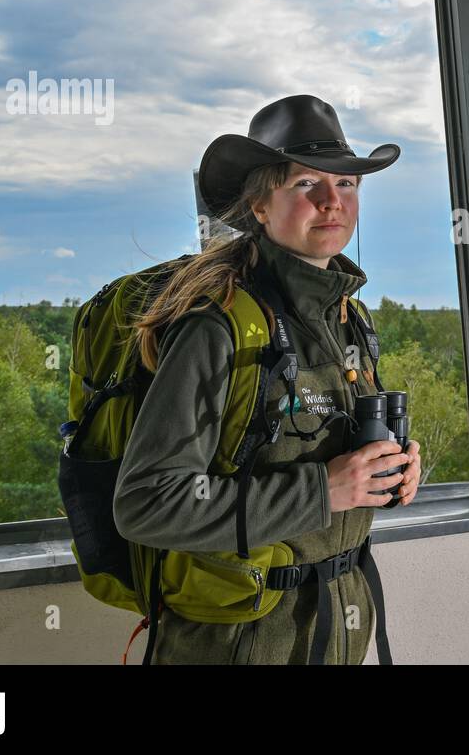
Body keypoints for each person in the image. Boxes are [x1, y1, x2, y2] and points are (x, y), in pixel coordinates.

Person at [113, 94, 421, 664]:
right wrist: (323, 490)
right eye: (307, 184)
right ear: (259, 206)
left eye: (347, 185)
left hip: (334, 633)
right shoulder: (219, 328)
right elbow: (145, 504)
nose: (333, 202)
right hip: (235, 648)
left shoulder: (348, 319)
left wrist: (391, 471)